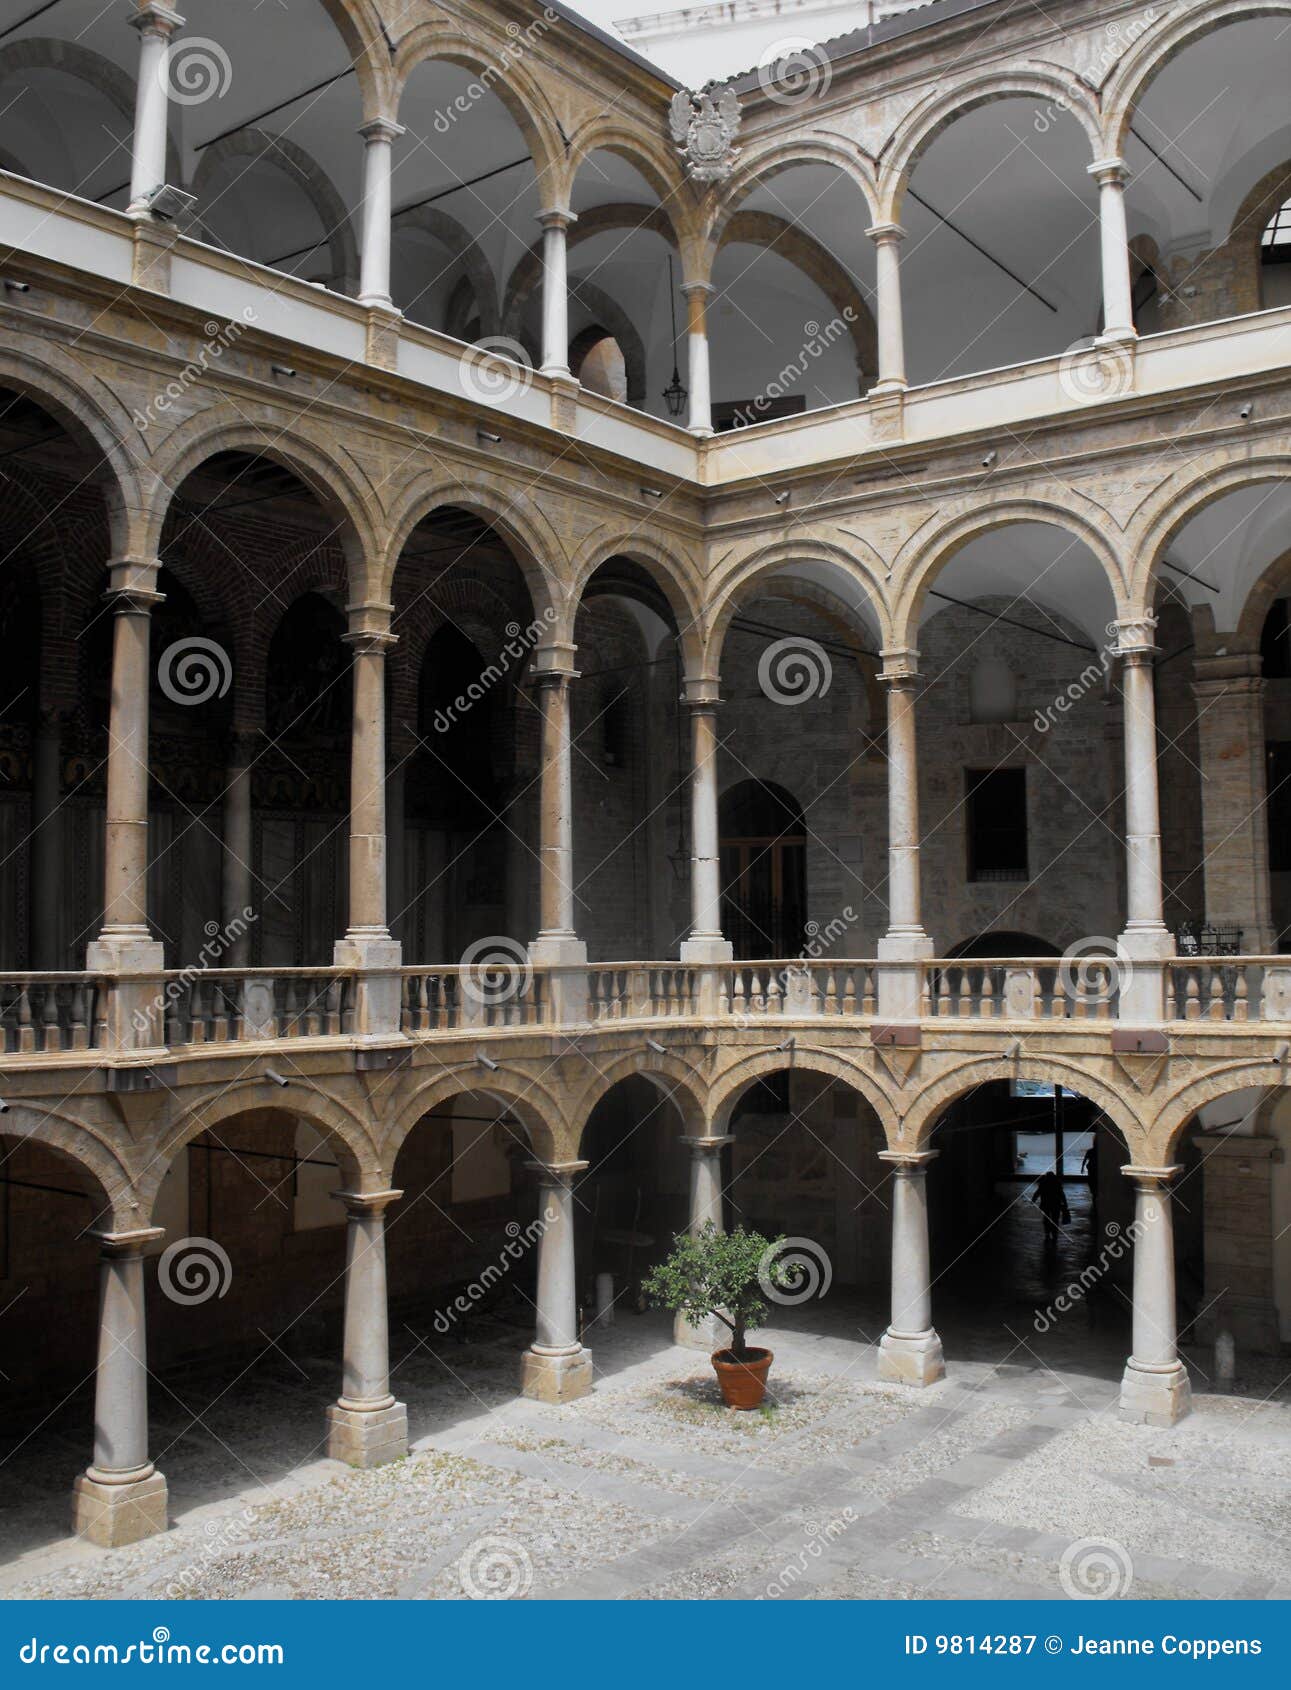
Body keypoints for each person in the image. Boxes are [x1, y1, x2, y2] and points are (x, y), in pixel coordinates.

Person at [1031, 1167, 1070, 1249]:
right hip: (1056, 1204)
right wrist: (1065, 1204)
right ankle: (1054, 1234)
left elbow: (1037, 1193)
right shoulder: (1057, 1183)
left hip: (1046, 1204)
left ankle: (1047, 1233)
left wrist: (1033, 1200)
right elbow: (1062, 1194)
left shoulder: (1043, 1183)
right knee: (1055, 1219)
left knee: (1046, 1218)